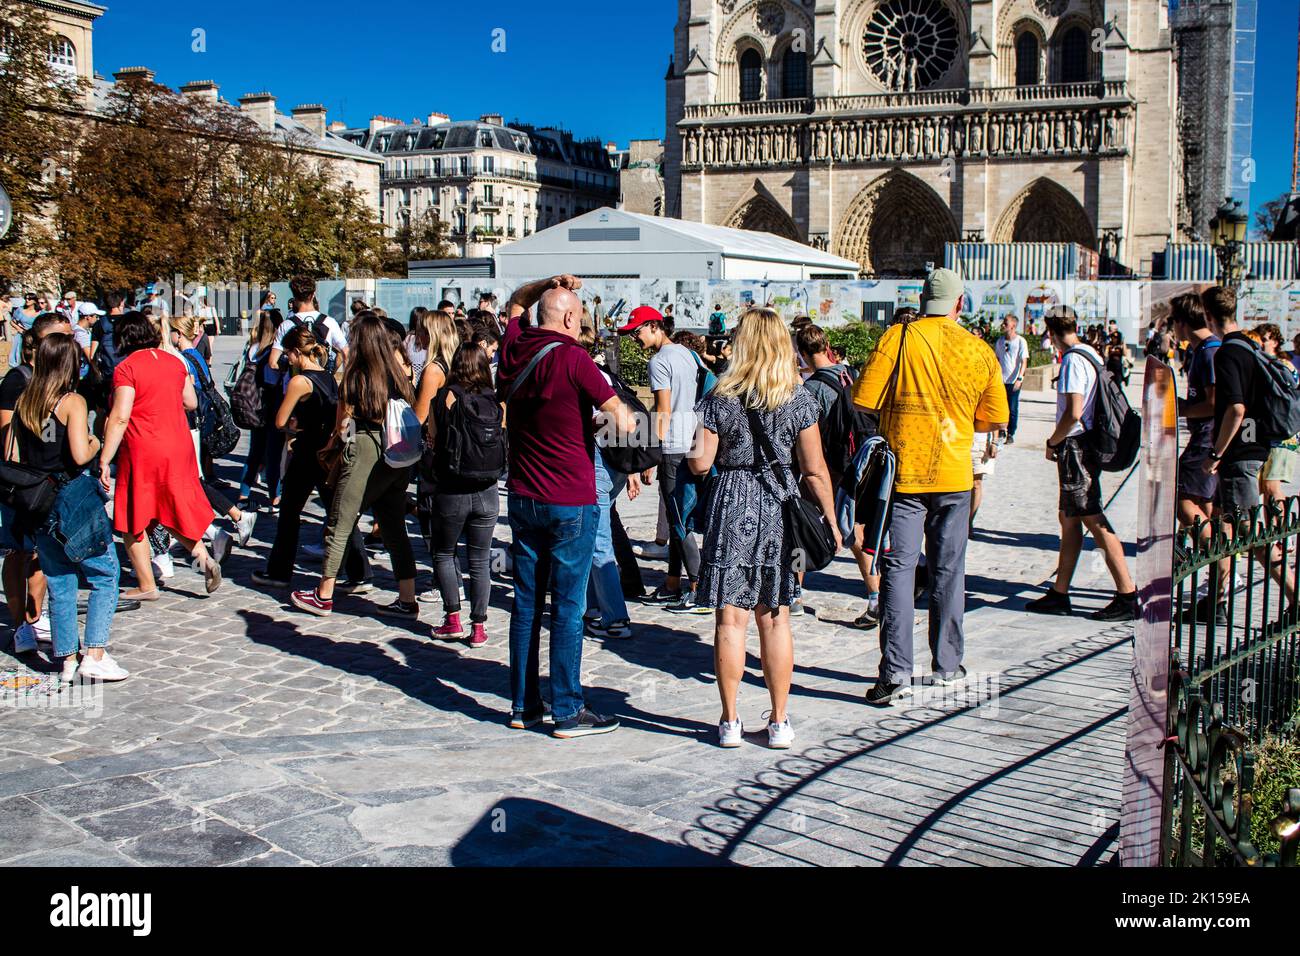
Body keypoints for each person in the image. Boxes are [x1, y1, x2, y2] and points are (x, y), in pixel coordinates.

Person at [852, 268, 1010, 705]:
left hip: (904, 475)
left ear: (923, 300)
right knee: (948, 569)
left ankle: (895, 671)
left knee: (899, 570)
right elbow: (996, 417)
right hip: (955, 474)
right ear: (960, 304)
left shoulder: (897, 338)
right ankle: (946, 664)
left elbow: (863, 398)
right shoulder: (978, 350)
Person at [689, 307, 840, 749]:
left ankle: (730, 721)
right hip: (780, 508)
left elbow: (700, 463)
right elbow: (814, 471)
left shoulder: (720, 396)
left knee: (730, 619)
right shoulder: (798, 398)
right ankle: (777, 721)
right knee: (775, 618)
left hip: (732, 503)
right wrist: (830, 519)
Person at [497, 276, 638, 738]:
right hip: (570, 498)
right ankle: (568, 709)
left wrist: (549, 282)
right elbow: (623, 416)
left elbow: (517, 300)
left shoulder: (515, 346)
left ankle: (523, 705)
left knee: (526, 603)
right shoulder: (576, 359)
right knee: (569, 607)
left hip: (522, 495)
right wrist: (602, 421)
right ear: (572, 318)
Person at [7, 334, 125, 681]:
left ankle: (67, 661)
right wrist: (95, 442)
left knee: (59, 581)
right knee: (104, 573)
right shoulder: (70, 401)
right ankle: (95, 653)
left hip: (37, 500)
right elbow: (78, 454)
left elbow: (14, 455)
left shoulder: (25, 400)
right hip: (71, 495)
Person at [290, 313, 419, 618]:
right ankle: (407, 598)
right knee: (393, 526)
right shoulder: (398, 374)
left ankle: (324, 593)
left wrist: (336, 445)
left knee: (341, 518)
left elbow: (343, 422)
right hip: (397, 453)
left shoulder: (357, 374)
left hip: (364, 446)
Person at [99, 312, 222, 600]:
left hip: (143, 449)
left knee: (134, 519)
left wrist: (105, 458)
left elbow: (120, 417)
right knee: (169, 509)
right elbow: (191, 402)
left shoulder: (126, 368)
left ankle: (146, 585)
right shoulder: (173, 362)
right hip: (178, 445)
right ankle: (204, 560)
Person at [1025, 306, 1137, 621]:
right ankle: (1060, 592)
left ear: (1050, 332)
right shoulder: (1090, 353)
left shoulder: (1074, 360)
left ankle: (1127, 593)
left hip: (1077, 447)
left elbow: (1073, 412)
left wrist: (1053, 441)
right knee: (1070, 518)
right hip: (1088, 444)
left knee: (1091, 517)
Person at [1192, 290, 1297, 619]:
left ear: (1209, 316)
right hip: (1253, 446)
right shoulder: (1250, 347)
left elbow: (1236, 408)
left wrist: (1216, 452)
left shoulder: (1228, 353)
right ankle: (1216, 602)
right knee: (1225, 529)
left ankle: (1296, 598)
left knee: (1254, 537)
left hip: (1240, 456)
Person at [253, 327, 369, 589]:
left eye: (288, 354)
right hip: (326, 453)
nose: (287, 360)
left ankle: (280, 571)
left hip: (306, 454)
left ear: (295, 352)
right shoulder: (329, 378)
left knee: (290, 513)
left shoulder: (299, 381)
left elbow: (280, 420)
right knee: (339, 515)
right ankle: (360, 571)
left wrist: (295, 427)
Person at [618, 306, 706, 612]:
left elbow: (663, 411)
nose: (634, 338)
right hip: (694, 441)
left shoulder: (659, 362)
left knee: (679, 522)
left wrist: (649, 458)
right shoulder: (687, 353)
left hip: (673, 447)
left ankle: (698, 588)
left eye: (637, 331)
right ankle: (672, 584)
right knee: (677, 516)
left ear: (655, 327)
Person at [795, 322, 881, 627]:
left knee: (799, 525)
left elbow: (807, 438)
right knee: (857, 534)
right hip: (859, 465)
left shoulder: (812, 389)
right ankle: (875, 596)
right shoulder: (851, 374)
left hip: (828, 469)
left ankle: (794, 591)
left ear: (803, 353)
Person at [427, 343, 503, 647]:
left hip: (452, 489)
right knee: (481, 560)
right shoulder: (495, 401)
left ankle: (453, 619)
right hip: (488, 490)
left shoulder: (445, 397)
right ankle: (479, 627)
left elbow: (432, 439)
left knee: (445, 553)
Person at [578, 328, 641, 640]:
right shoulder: (606, 373)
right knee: (592, 535)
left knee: (600, 542)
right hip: (616, 463)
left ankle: (616, 619)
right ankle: (591, 608)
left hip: (600, 464)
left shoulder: (585, 377)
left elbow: (601, 420)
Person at [1172, 293, 1220, 573]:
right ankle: (1219, 571)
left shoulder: (1209, 351)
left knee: (1180, 500)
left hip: (1206, 438)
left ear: (1183, 323)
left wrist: (1182, 409)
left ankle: (1218, 558)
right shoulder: (1203, 350)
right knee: (1204, 503)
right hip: (1206, 436)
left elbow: (1214, 403)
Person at [994, 316, 1029, 444]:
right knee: (1000, 407)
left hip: (1014, 380)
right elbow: (997, 360)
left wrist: (1020, 378)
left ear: (1013, 326)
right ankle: (1001, 430)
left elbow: (1023, 361)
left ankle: (1011, 432)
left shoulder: (1020, 341)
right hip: (1001, 380)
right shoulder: (999, 341)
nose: (1003, 325)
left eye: (1006, 323)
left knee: (1012, 408)